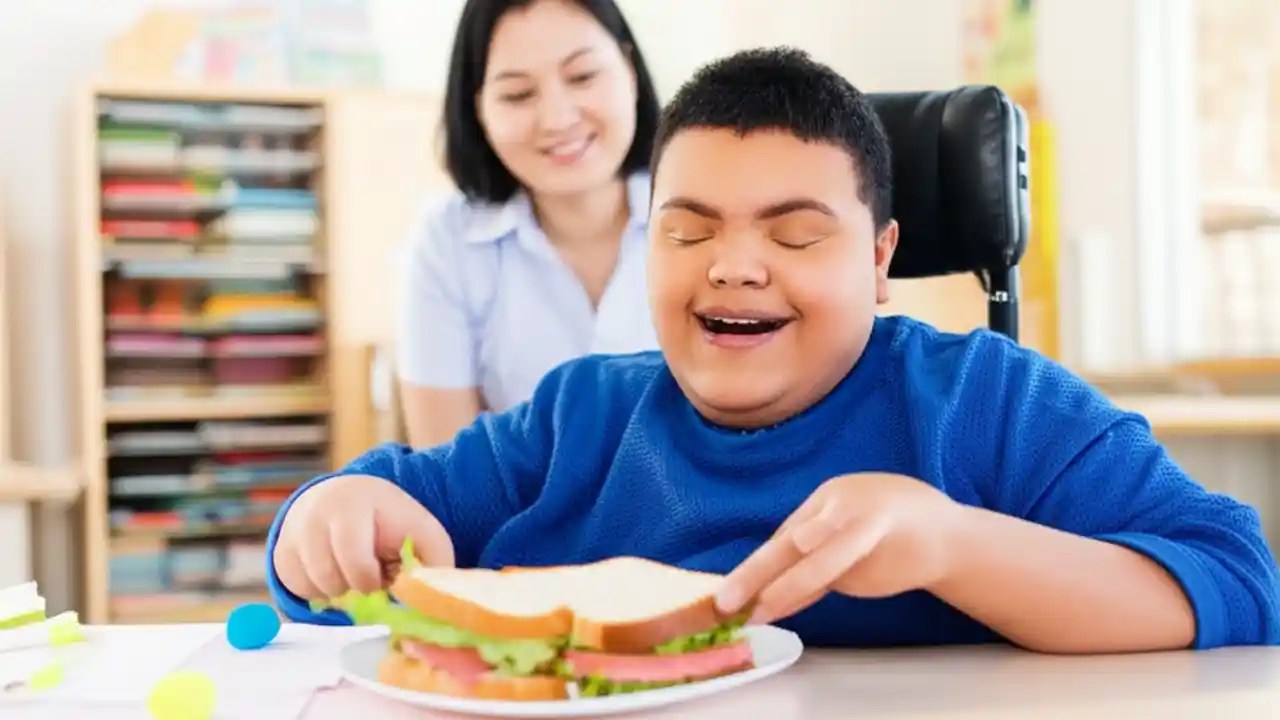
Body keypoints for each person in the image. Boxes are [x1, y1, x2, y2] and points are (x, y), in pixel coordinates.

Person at [269, 47, 1280, 652]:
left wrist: (955, 543)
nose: (734, 268)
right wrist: (329, 514)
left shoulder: (986, 401)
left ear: (879, 258)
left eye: (794, 236)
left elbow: (1236, 583)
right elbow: (352, 550)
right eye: (687, 231)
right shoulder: (578, 416)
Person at [396, 0, 663, 446]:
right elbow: (446, 473)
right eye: (518, 95)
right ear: (479, 109)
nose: (558, 119)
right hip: (519, 517)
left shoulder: (711, 207)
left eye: (583, 77)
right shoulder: (447, 242)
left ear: (629, 71)